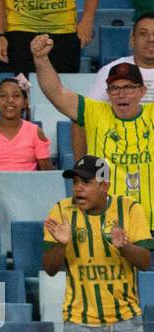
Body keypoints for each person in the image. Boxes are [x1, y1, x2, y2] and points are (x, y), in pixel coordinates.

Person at [42, 155, 153, 332]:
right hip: (80, 326)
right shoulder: (60, 211)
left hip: (127, 323)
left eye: (86, 182)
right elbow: (49, 268)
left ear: (105, 185)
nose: (78, 188)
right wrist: (61, 245)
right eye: (75, 182)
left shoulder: (130, 209)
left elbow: (146, 262)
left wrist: (124, 247)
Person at [34, 37, 154, 232]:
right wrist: (40, 59)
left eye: (129, 88)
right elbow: (56, 93)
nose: (121, 94)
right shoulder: (94, 113)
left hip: (151, 223)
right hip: (107, 224)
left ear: (142, 91)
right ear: (107, 92)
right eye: (115, 88)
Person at [72, 13, 154, 170]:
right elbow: (82, 119)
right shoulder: (112, 71)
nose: (151, 39)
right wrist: (81, 169)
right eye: (143, 34)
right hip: (117, 158)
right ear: (131, 40)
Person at [0, 0, 97, 75]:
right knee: (21, 92)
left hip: (64, 31)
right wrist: (0, 35)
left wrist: (88, 19)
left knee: (64, 94)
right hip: (18, 31)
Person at [0, 75, 53, 171]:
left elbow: (47, 173)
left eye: (16, 96)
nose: (10, 100)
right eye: (3, 96)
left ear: (25, 102)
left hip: (28, 185)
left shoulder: (36, 132)